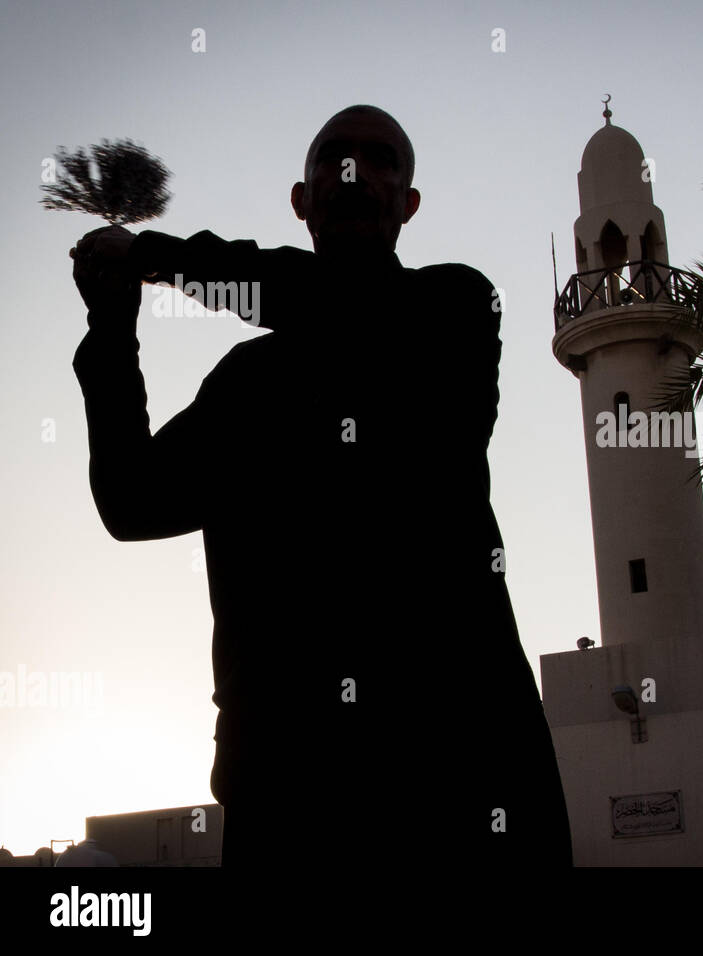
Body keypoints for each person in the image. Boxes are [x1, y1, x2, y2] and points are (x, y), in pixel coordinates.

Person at [69, 105, 572, 872]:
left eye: (380, 161)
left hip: (461, 778)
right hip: (288, 793)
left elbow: (326, 296)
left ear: (407, 204)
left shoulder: (454, 308)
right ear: (301, 200)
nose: (353, 174)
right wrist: (112, 329)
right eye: (334, 158)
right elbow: (133, 501)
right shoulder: (246, 386)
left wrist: (156, 255)